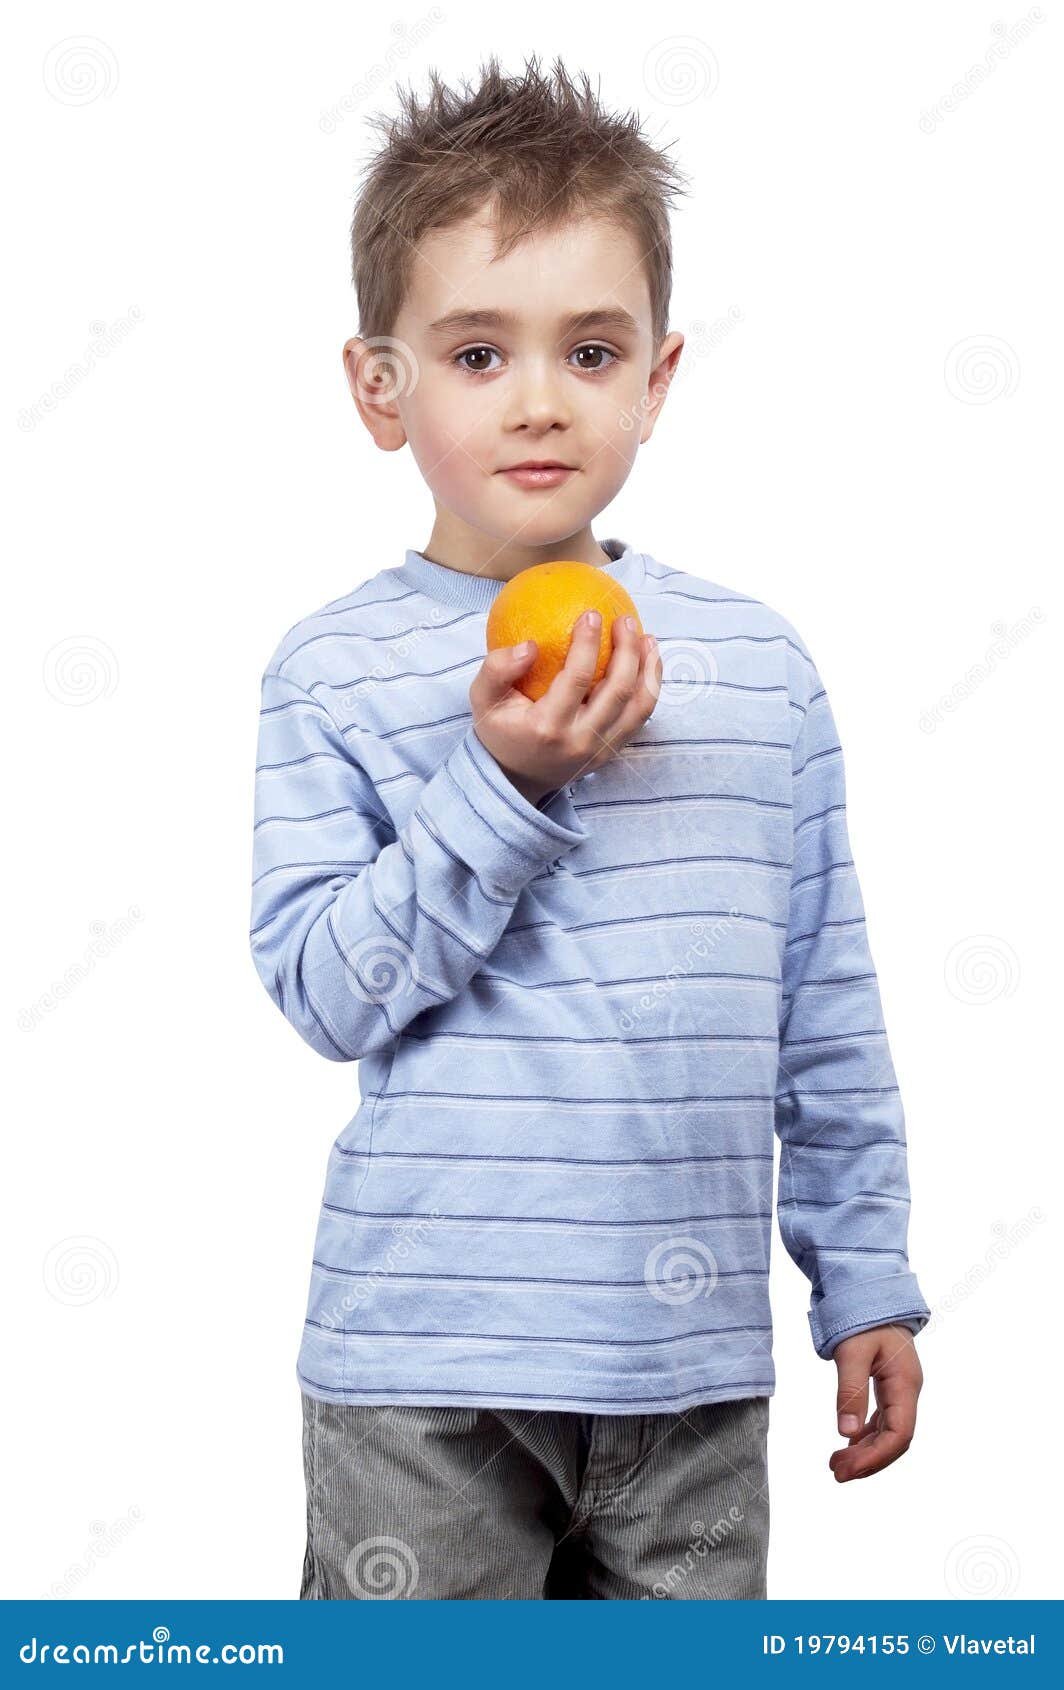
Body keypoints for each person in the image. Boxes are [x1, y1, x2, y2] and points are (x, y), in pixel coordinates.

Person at [248, 54, 930, 1601]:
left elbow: (824, 1007)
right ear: (380, 387)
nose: (542, 399)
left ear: (659, 379)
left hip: (691, 1375)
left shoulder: (756, 665)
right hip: (425, 1375)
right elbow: (325, 990)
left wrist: (866, 1278)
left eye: (593, 350)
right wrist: (498, 786)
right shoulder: (333, 667)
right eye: (478, 352)